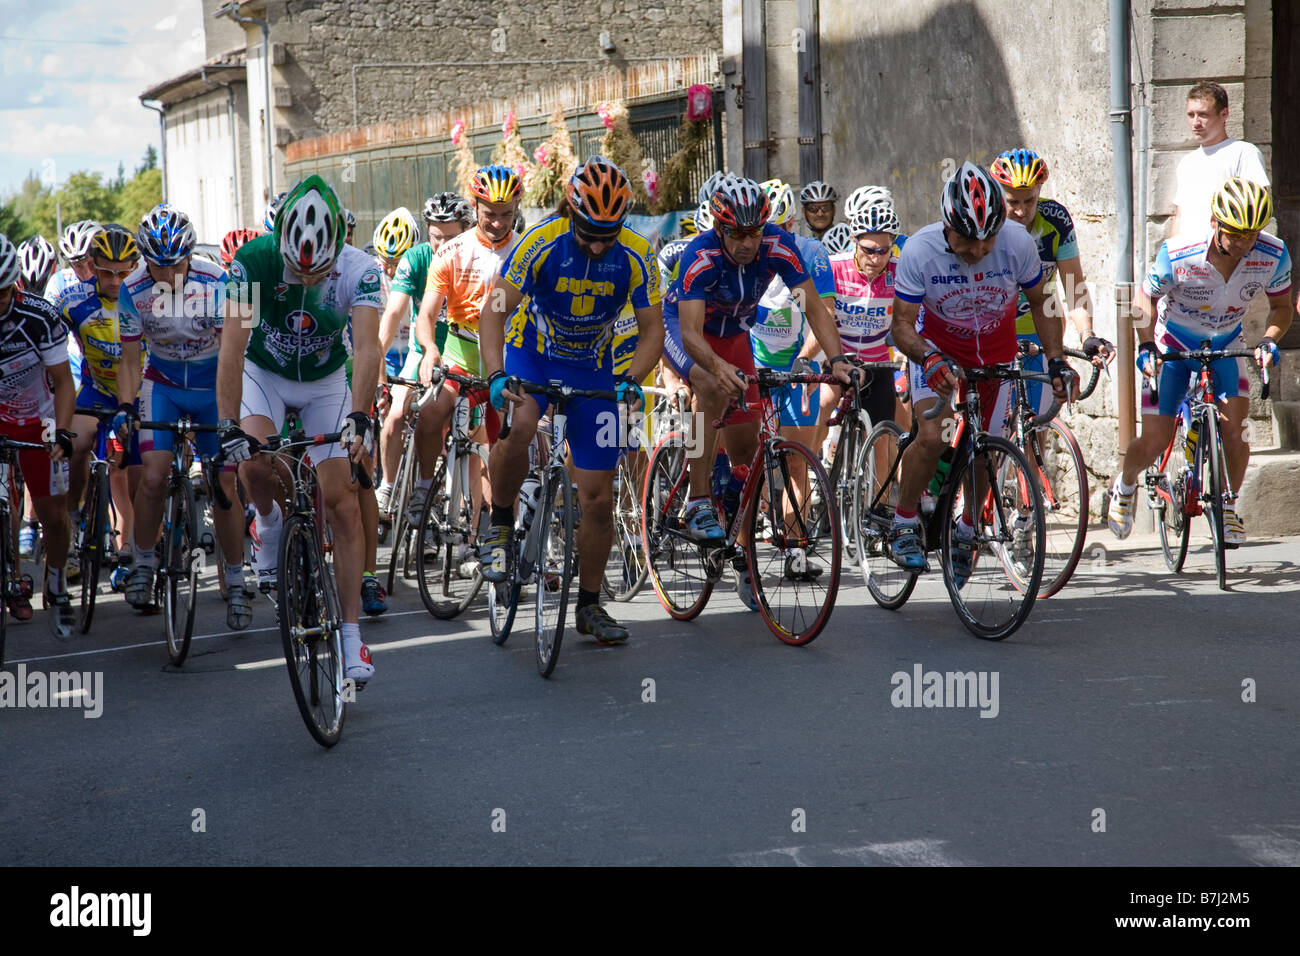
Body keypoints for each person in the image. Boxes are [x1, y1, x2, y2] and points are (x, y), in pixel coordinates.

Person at [477, 156, 664, 645]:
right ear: (570, 213)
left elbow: (652, 333)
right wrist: (496, 374)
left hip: (593, 366)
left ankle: (589, 604)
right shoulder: (541, 242)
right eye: (589, 233)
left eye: (610, 233)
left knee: (599, 498)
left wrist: (631, 378)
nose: (600, 243)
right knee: (520, 425)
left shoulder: (637, 254)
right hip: (531, 354)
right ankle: (498, 523)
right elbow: (494, 312)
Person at [217, 175, 383, 684]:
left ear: (338, 245)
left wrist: (361, 415)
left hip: (326, 381)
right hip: (264, 373)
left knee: (343, 499)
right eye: (297, 271)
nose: (307, 281)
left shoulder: (361, 268)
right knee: (254, 461)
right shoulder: (253, 263)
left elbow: (368, 347)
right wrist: (228, 425)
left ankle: (352, 638)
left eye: (318, 273)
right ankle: (267, 525)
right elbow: (232, 349)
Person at [662, 175, 852, 608]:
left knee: (747, 457)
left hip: (735, 337)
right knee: (709, 389)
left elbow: (816, 310)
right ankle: (696, 501)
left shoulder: (779, 246)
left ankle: (743, 554)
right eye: (736, 233)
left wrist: (837, 359)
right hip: (687, 332)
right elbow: (690, 334)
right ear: (720, 228)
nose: (747, 243)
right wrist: (715, 366)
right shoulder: (700, 255)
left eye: (754, 233)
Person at [884, 162, 1072, 584]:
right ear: (947, 226)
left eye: (986, 241)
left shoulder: (1017, 243)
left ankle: (968, 530)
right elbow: (900, 326)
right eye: (967, 242)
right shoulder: (920, 249)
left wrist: (1057, 357)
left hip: (996, 358)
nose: (977, 251)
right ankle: (903, 520)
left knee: (988, 448)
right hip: (937, 354)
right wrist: (927, 358)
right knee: (932, 438)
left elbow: (1042, 302)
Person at [1108, 178, 1292, 545]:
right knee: (1157, 439)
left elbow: (1282, 307)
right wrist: (1146, 346)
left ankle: (1227, 506)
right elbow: (1143, 302)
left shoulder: (1273, 254)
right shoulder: (1179, 254)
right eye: (1235, 234)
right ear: (1214, 222)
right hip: (1173, 343)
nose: (1243, 244)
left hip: (1226, 341)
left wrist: (1269, 340)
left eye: (1252, 234)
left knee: (1236, 432)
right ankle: (1125, 484)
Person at [114, 204, 251, 628]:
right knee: (153, 476)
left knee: (224, 483)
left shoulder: (219, 278)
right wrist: (124, 406)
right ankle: (142, 562)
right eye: (159, 266)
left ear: (192, 255)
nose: (170, 275)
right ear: (145, 261)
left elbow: (244, 344)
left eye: (178, 264)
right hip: (165, 384)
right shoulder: (132, 287)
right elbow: (131, 360)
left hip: (214, 385)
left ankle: (235, 578)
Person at [410, 167, 522, 557]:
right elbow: (426, 316)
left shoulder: (524, 251)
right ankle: (424, 491)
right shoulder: (451, 252)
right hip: (460, 353)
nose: (497, 221)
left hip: (506, 361)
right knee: (429, 414)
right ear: (474, 207)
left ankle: (498, 539)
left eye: (506, 213)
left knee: (501, 453)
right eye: (489, 211)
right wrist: (430, 351)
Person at [989, 148, 1114, 417]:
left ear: (1040, 191)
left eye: (1029, 201)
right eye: (1012, 202)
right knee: (991, 428)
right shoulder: (988, 225)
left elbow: (1075, 289)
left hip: (1040, 332)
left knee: (1035, 427)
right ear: (998, 194)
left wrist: (1087, 335)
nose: (1021, 211)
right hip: (993, 334)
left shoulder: (1056, 220)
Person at [375, 192, 474, 519]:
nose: (442, 245)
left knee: (466, 433)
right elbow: (392, 316)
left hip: (464, 353)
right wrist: (378, 374)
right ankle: (389, 487)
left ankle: (462, 512)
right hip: (424, 349)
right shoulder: (416, 259)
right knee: (396, 414)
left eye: (450, 238)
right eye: (435, 238)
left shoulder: (475, 257)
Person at [53, 225, 146, 577]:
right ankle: (73, 515)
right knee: (75, 445)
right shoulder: (74, 300)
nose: (115, 280)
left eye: (124, 273)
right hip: (96, 390)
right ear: (92, 264)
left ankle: (128, 553)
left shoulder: (147, 298)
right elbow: (44, 339)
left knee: (129, 477)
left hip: (140, 392)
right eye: (106, 272)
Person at [0, 233, 77, 636]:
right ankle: (10, 578)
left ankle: (56, 577)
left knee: (53, 514)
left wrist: (62, 431)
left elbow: (64, 383)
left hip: (38, 419)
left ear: (15, 284)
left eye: (2, 292)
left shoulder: (40, 316)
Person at [823, 195, 908, 450]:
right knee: (824, 404)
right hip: (838, 357)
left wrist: (907, 352)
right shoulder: (834, 267)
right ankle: (814, 467)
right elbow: (820, 318)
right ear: (854, 243)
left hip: (877, 363)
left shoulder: (900, 270)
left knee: (884, 442)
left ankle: (879, 490)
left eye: (884, 251)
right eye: (868, 250)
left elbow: (911, 318)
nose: (876, 258)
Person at [1169, 81, 1269, 237]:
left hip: (1225, 255)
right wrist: (1170, 254)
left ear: (1224, 114)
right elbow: (1180, 215)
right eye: (1191, 115)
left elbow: (1257, 210)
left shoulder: (1243, 152)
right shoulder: (1187, 162)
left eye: (1203, 114)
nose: (1196, 123)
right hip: (1188, 256)